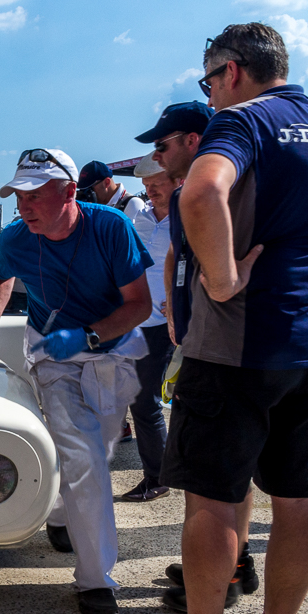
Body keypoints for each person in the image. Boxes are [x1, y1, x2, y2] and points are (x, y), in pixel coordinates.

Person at [126, 23, 308, 614]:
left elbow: (201, 193)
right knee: (300, 495)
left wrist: (220, 277)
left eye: (209, 82)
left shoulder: (243, 125)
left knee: (214, 494)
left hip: (240, 342)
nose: (209, 95)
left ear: (233, 72)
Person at [0, 148, 152, 614]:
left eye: (34, 194)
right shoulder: (17, 236)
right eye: (18, 194)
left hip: (111, 350)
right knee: (86, 457)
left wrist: (92, 335)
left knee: (95, 450)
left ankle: (58, 515)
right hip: (53, 354)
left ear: (70, 190)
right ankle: (96, 580)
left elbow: (139, 304)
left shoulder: (111, 228)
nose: (22, 205)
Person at [138, 100, 260, 614]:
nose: (157, 159)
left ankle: (216, 584)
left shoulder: (219, 185)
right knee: (232, 471)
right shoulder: (191, 192)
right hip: (202, 336)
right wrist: (173, 311)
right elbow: (175, 255)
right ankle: (234, 560)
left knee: (206, 479)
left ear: (192, 140)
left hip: (223, 346)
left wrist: (224, 284)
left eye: (162, 146)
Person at [120, 155, 181, 502]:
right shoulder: (138, 219)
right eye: (146, 187)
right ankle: (159, 472)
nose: (150, 192)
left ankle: (157, 477)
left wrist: (178, 300)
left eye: (156, 185)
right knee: (137, 398)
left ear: (176, 181)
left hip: (167, 326)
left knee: (146, 400)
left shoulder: (188, 217)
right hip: (134, 322)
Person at [77, 161, 146, 219]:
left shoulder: (132, 204)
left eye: (90, 189)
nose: (86, 194)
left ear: (107, 182)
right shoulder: (94, 208)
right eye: (83, 190)